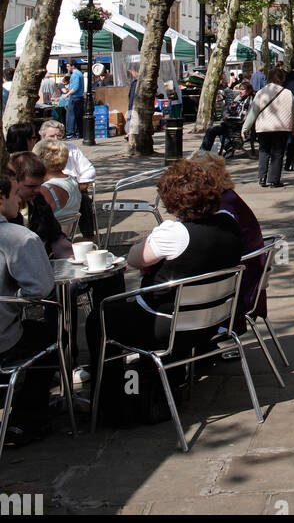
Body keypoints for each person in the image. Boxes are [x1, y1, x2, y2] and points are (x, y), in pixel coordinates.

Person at [85, 160, 243, 422]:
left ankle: (109, 402)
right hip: (214, 323)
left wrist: (152, 247)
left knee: (99, 319)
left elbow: (135, 259)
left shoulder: (173, 232)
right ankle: (157, 381)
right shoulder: (229, 221)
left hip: (167, 325)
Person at [0, 171, 58, 445]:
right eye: (14, 195)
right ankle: (25, 421)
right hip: (3, 343)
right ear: (1, 199)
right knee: (53, 335)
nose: (19, 202)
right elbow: (40, 290)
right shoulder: (17, 238)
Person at [193, 153, 266, 327]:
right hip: (246, 278)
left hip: (236, 289)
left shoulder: (222, 207)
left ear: (216, 176)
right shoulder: (226, 198)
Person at [241, 68, 294, 189]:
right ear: (282, 78)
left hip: (264, 127)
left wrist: (245, 128)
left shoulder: (261, 92)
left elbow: (253, 111)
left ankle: (262, 177)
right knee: (277, 153)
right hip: (282, 127)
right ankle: (274, 180)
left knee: (264, 151)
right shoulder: (288, 93)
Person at [39, 118, 97, 240]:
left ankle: (89, 238)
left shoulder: (72, 149)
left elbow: (89, 169)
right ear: (43, 136)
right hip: (50, 189)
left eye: (59, 136)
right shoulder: (39, 151)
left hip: (73, 188)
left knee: (85, 201)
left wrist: (81, 183)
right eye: (51, 136)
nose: (55, 139)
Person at [6, 152, 69, 256]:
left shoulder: (38, 201)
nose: (38, 190)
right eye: (31, 186)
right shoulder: (6, 209)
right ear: (14, 182)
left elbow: (56, 234)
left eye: (40, 185)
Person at [32, 138, 81, 227]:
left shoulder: (47, 189)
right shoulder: (73, 181)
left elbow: (40, 219)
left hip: (49, 235)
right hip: (66, 231)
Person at [198, 78, 254, 157]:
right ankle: (203, 152)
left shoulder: (250, 100)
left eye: (243, 90)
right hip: (232, 124)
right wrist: (228, 113)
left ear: (248, 91)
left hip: (239, 127)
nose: (240, 91)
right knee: (213, 129)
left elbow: (244, 117)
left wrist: (230, 117)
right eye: (240, 89)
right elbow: (231, 109)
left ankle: (204, 152)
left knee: (217, 129)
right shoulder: (239, 98)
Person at [59, 62, 85, 139]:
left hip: (75, 97)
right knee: (77, 116)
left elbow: (75, 87)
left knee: (70, 116)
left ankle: (70, 133)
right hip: (79, 97)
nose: (67, 68)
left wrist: (67, 95)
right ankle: (78, 133)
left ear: (73, 66)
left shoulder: (75, 74)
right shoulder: (80, 73)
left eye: (68, 66)